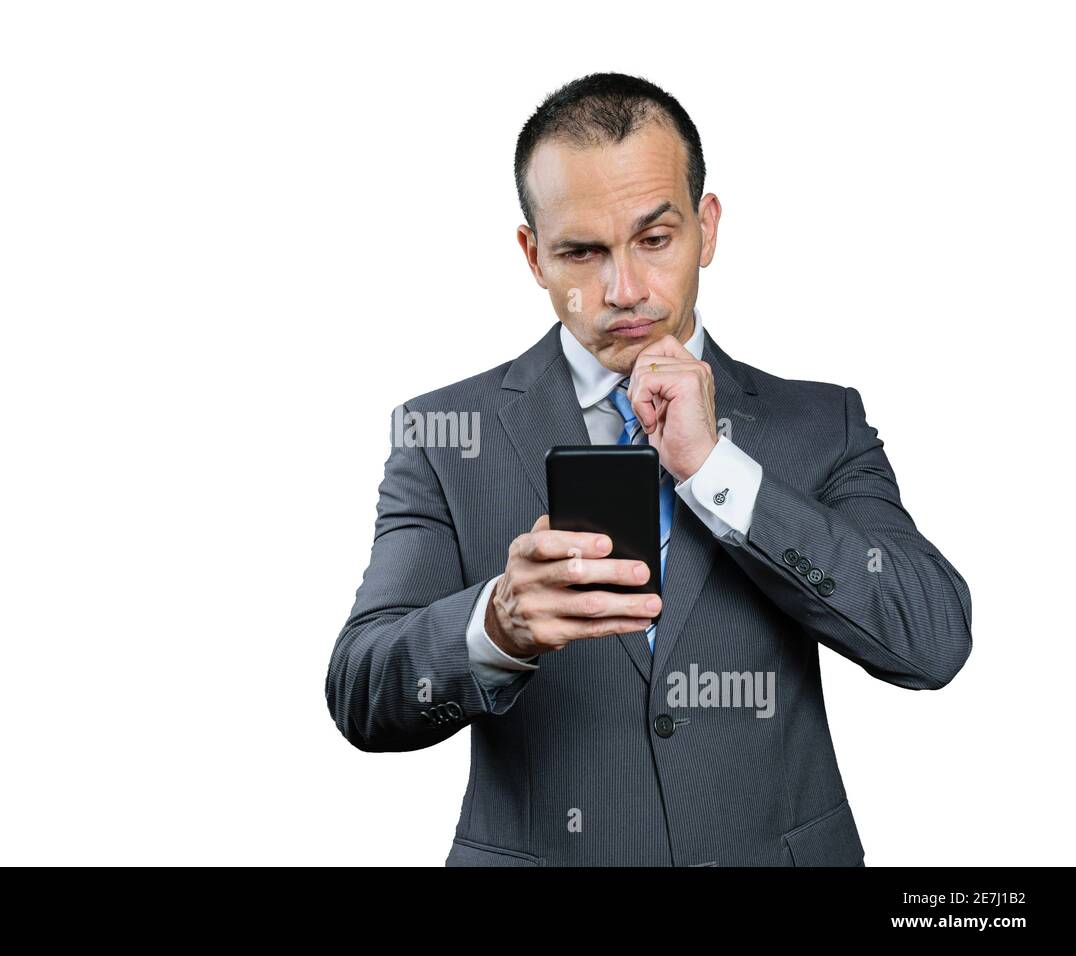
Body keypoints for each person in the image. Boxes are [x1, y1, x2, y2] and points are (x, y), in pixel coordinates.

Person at [325, 72, 972, 866]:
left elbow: (931, 641)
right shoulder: (444, 435)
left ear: (707, 226)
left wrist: (715, 469)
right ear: (533, 255)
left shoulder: (820, 424)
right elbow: (362, 692)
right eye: (581, 252)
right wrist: (497, 624)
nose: (623, 290)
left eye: (655, 240)